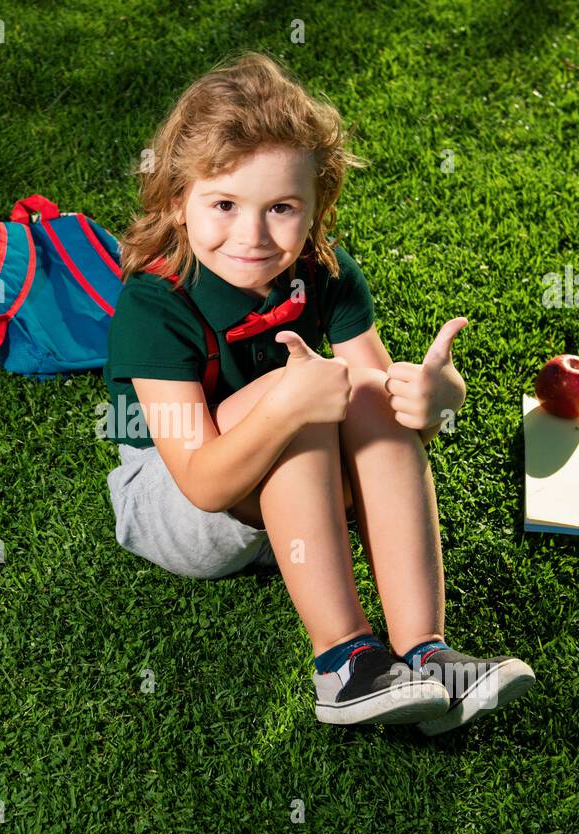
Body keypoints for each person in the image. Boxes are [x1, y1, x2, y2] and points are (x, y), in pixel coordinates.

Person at [103, 51, 535, 734]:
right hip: (175, 502)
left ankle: (426, 650)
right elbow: (204, 483)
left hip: (296, 505)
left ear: (315, 208)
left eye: (281, 208)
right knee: (297, 391)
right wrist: (286, 403)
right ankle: (344, 663)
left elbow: (381, 415)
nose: (251, 235)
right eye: (223, 204)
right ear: (178, 204)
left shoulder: (323, 271)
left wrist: (436, 399)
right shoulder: (155, 303)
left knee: (360, 389)